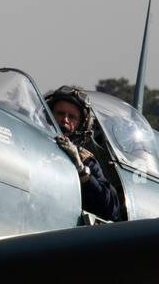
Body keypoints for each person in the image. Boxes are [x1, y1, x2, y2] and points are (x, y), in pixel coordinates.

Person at [45, 87, 122, 222]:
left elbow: (112, 210)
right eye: (60, 114)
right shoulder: (33, 142)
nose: (65, 120)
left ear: (81, 124)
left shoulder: (86, 160)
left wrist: (81, 171)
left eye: (72, 117)